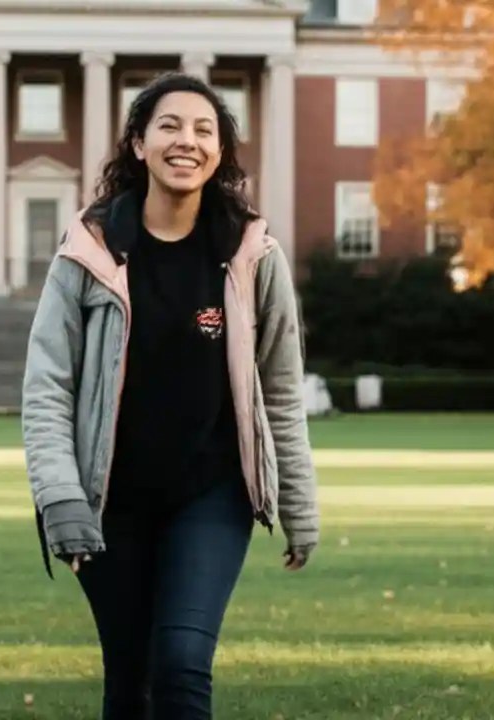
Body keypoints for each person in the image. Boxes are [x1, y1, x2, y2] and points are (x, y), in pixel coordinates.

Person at [20, 71, 320, 720]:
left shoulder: (252, 254)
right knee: (130, 681)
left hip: (211, 494)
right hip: (109, 500)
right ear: (138, 144)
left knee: (182, 664)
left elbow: (281, 391)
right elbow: (47, 387)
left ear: (220, 151)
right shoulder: (89, 251)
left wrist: (299, 505)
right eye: (170, 126)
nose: (188, 140)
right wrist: (60, 497)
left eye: (205, 129)